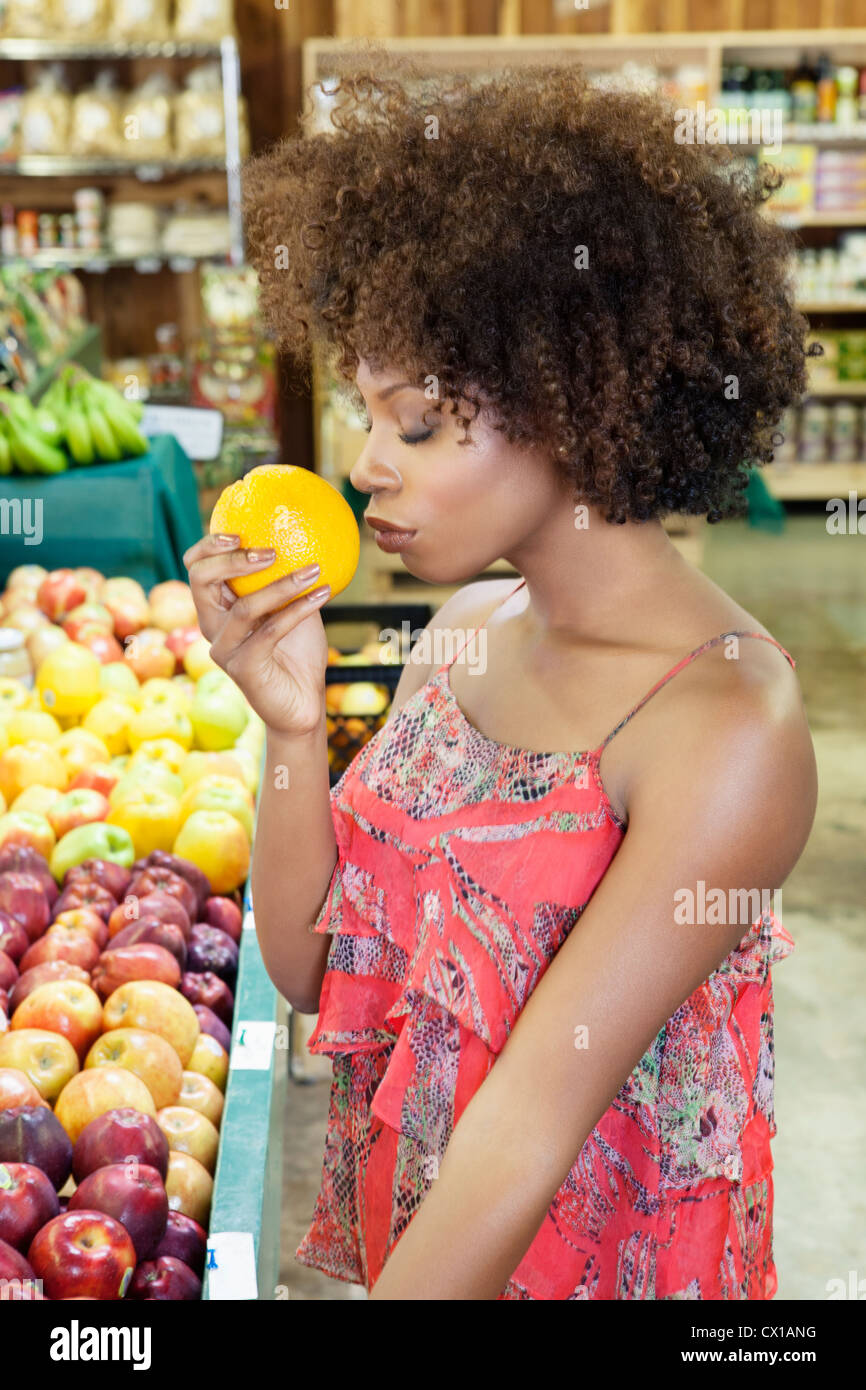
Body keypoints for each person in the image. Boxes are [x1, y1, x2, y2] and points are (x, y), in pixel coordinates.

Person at [184, 52, 818, 1300]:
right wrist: (294, 733)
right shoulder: (466, 629)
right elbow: (324, 976)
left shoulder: (724, 722)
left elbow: (528, 1124)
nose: (368, 464)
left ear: (572, 398)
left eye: (415, 422)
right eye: (367, 416)